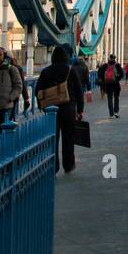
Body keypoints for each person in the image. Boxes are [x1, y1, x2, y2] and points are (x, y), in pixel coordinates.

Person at [36, 45, 84, 174]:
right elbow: (79, 91)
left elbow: (38, 91)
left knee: (54, 137)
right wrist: (80, 109)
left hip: (52, 110)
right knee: (68, 137)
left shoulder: (46, 71)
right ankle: (68, 165)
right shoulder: (70, 70)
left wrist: (43, 106)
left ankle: (54, 166)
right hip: (68, 108)